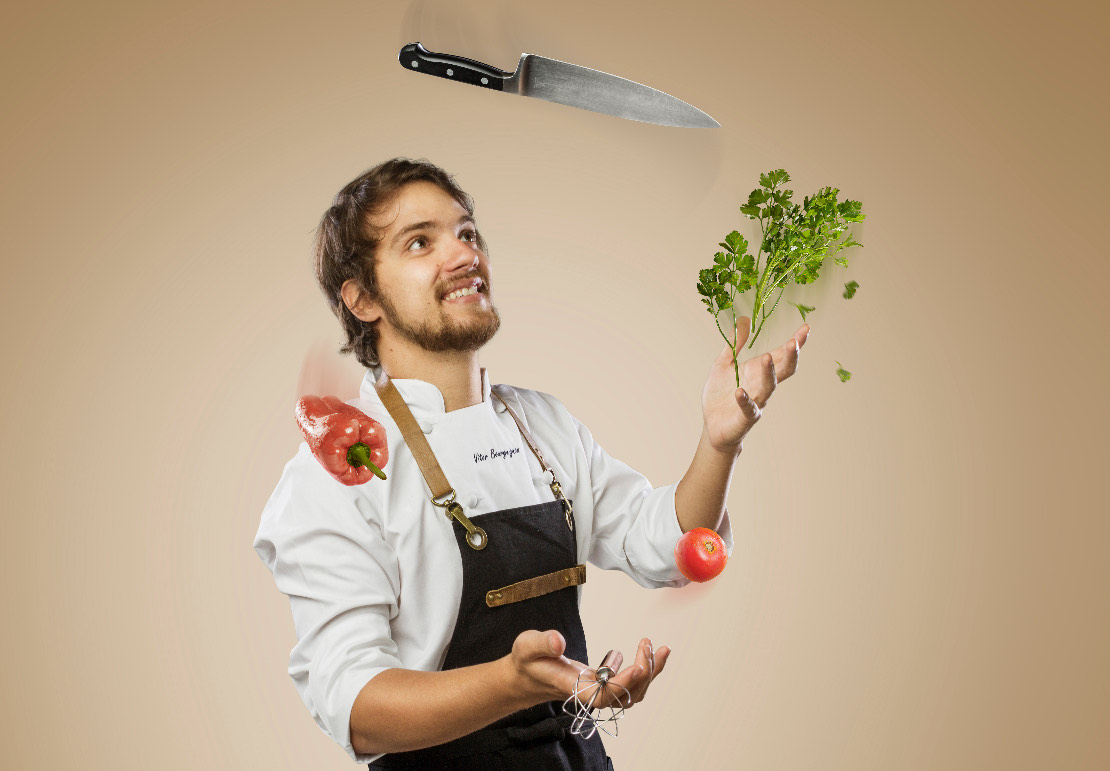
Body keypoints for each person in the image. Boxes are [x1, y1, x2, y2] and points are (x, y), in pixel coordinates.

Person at [253, 158, 809, 769]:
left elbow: (668, 548)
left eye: (467, 233)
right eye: (420, 242)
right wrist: (512, 683)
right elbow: (355, 706)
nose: (464, 255)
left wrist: (719, 442)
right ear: (362, 299)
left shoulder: (540, 421)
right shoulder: (340, 468)